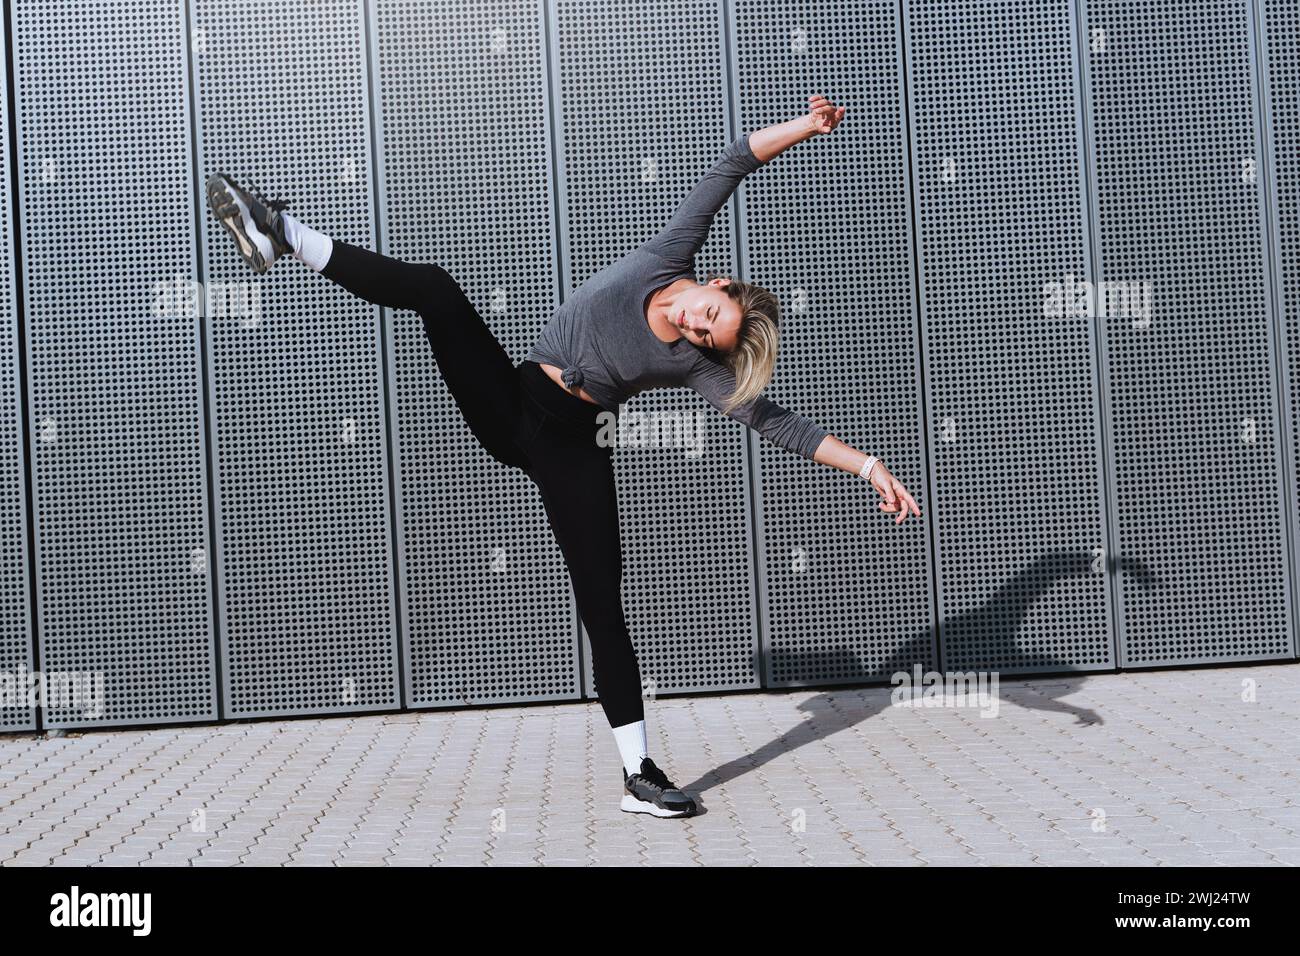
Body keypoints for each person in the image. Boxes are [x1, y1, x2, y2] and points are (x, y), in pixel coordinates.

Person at [205, 93, 920, 819]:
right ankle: (278, 231)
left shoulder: (699, 366)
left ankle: (638, 773)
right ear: (718, 284)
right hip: (508, 404)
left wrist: (868, 466)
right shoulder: (671, 253)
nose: (696, 326)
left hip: (570, 449)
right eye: (711, 313)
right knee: (436, 289)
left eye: (707, 336)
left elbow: (777, 423)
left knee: (603, 605)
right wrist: (806, 126)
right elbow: (734, 163)